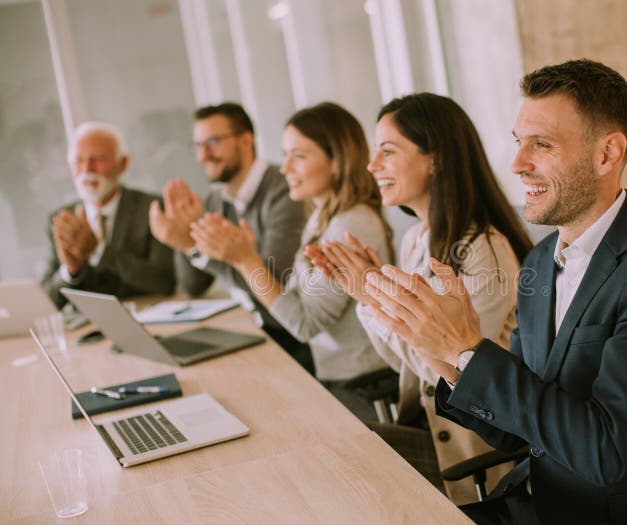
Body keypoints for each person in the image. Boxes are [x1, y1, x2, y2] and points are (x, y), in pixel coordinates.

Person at [358, 59, 627, 525]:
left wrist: (465, 349)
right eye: (519, 142)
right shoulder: (541, 261)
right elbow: (519, 427)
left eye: (542, 145)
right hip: (542, 502)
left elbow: (605, 450)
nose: (517, 163)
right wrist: (446, 360)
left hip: (615, 520)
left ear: (607, 153)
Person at [307, 93, 532, 503]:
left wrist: (375, 299)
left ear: (436, 159)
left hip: (473, 443)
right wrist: (374, 296)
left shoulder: (483, 248)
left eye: (388, 152)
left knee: (344, 458)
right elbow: (404, 367)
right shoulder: (416, 240)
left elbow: (449, 375)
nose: (372, 166)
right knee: (326, 443)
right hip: (429, 425)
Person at [188, 102, 394, 422]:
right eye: (285, 155)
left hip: (365, 388)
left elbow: (303, 324)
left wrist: (246, 261)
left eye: (298, 156)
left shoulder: (349, 225)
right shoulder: (323, 218)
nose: (285, 169)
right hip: (336, 378)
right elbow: (294, 298)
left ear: (337, 161)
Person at [148, 103, 308, 367]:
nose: (203, 156)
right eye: (197, 146)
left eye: (212, 142)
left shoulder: (284, 192)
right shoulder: (215, 200)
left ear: (246, 140)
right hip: (249, 328)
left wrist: (196, 249)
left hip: (289, 337)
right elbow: (193, 286)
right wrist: (185, 241)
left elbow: (272, 281)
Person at [41, 122, 175, 309]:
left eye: (98, 159)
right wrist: (71, 271)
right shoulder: (61, 218)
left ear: (123, 164)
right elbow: (46, 301)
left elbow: (164, 283)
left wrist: (98, 250)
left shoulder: (152, 208)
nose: (87, 169)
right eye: (79, 161)